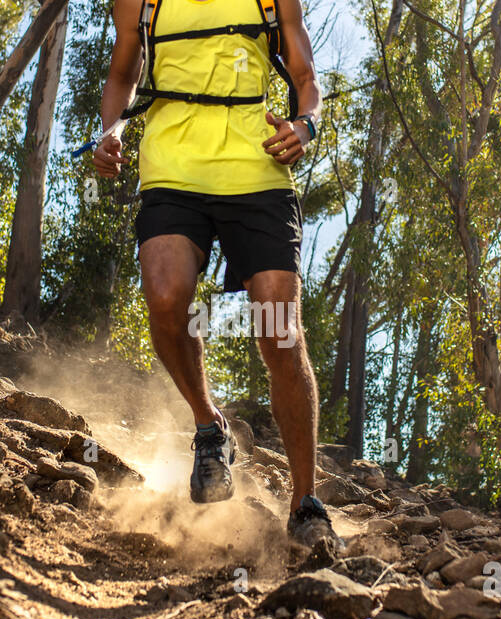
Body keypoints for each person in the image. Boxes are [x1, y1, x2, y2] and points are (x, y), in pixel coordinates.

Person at [93, 0, 339, 547]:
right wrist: (108, 131)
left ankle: (305, 504)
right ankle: (210, 427)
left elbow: (306, 79)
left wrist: (306, 124)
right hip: (172, 169)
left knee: (280, 331)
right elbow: (120, 73)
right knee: (165, 295)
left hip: (258, 168)